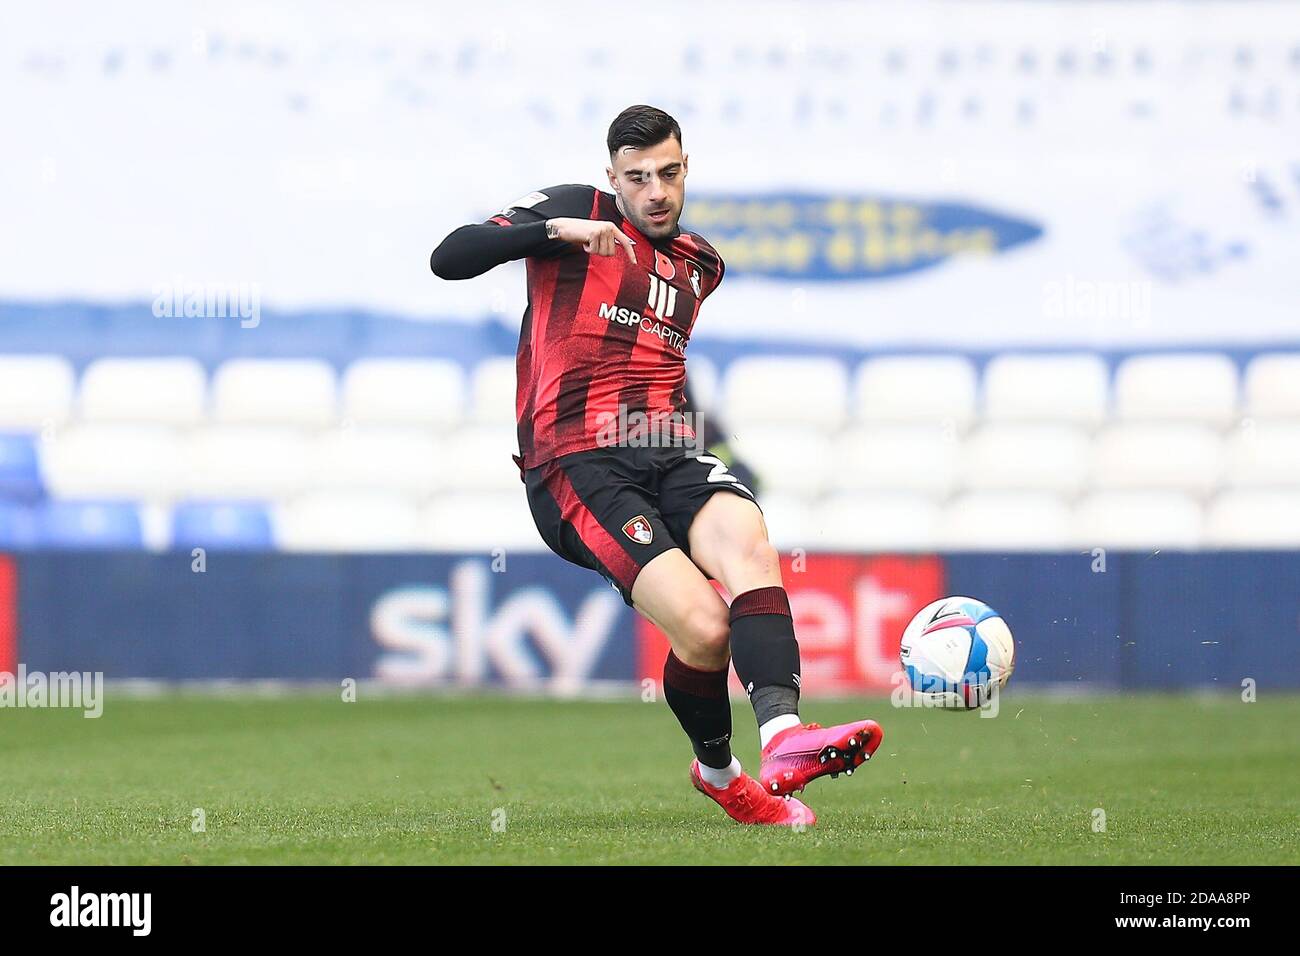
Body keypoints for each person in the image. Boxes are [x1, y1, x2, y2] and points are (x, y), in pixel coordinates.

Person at [430, 104, 881, 826]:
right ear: (613, 178)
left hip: (667, 443)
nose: (657, 191)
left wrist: (714, 442)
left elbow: (659, 362)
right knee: (703, 627)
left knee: (747, 540)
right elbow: (449, 256)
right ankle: (720, 775)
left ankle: (786, 736)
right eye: (637, 178)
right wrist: (557, 231)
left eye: (668, 173)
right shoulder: (575, 211)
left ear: (686, 168)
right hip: (576, 459)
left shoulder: (701, 264)